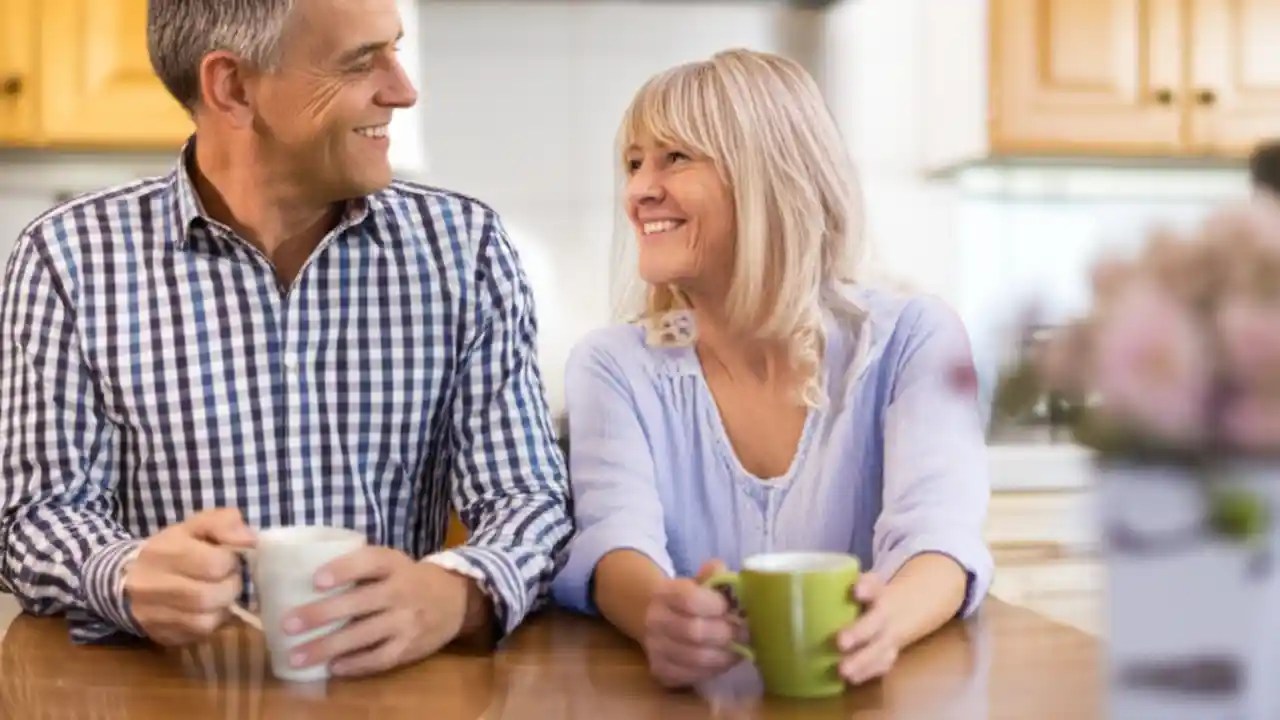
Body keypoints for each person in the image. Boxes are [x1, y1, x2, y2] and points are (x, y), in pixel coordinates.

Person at [0, 0, 571, 678]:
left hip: (386, 692)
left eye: (395, 50)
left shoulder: (464, 252)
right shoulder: (66, 258)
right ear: (233, 88)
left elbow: (528, 498)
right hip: (163, 693)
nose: (403, 89)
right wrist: (121, 572)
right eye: (363, 62)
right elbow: (33, 517)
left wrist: (459, 590)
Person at [552, 49, 993, 689]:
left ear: (770, 175)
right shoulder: (613, 366)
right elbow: (616, 537)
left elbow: (939, 535)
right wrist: (658, 616)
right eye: (633, 163)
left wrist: (883, 625)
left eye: (675, 157)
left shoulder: (912, 340)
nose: (639, 190)